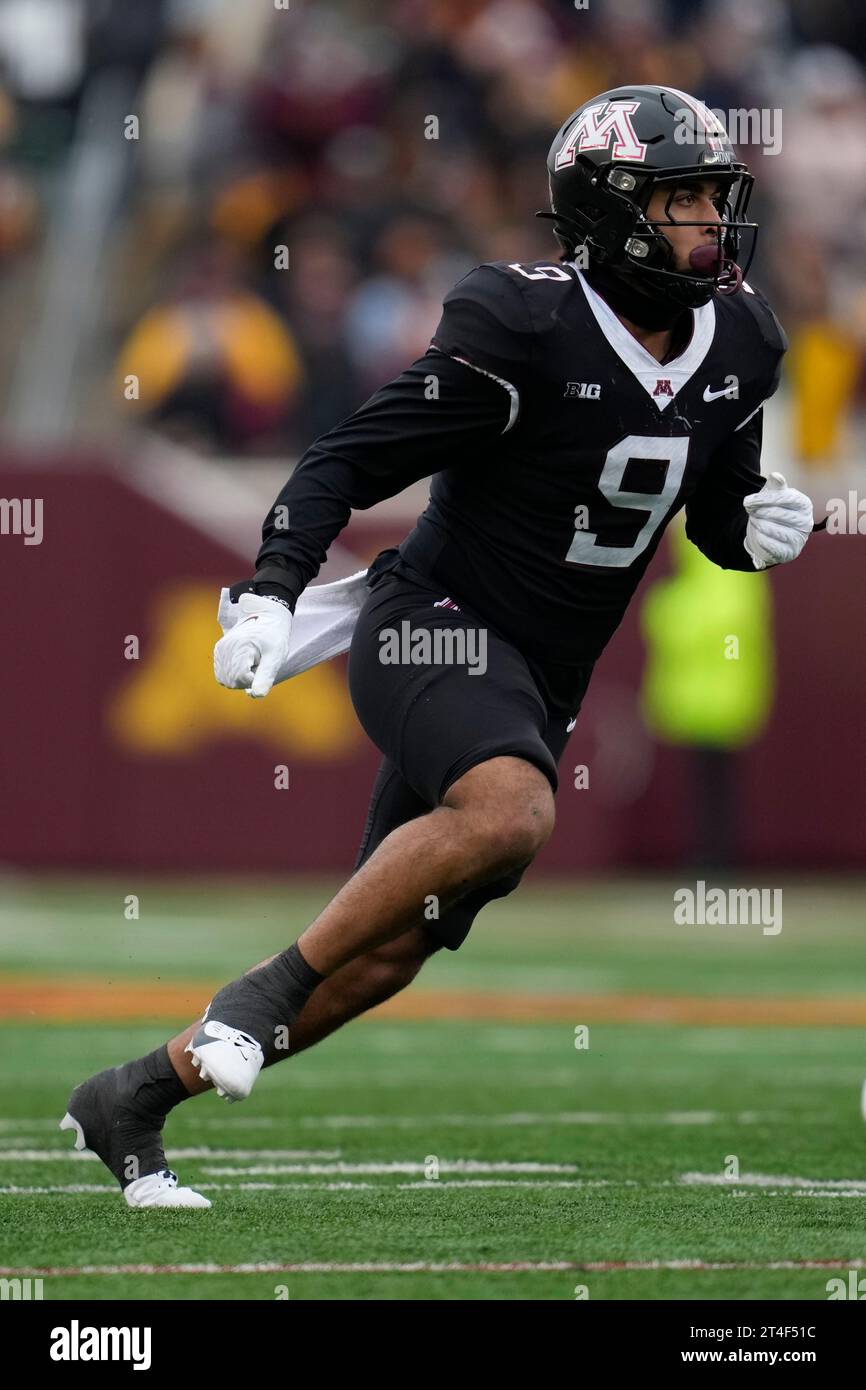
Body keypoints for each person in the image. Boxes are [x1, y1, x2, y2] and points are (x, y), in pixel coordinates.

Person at [61, 85, 815, 1206]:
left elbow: (705, 502)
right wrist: (272, 590)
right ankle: (251, 1002)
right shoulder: (521, 321)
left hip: (542, 674)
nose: (708, 221)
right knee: (510, 809)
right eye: (680, 199)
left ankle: (132, 1095)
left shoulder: (743, 336)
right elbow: (348, 459)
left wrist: (748, 529)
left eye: (713, 195)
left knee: (390, 946)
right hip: (430, 623)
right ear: (607, 213)